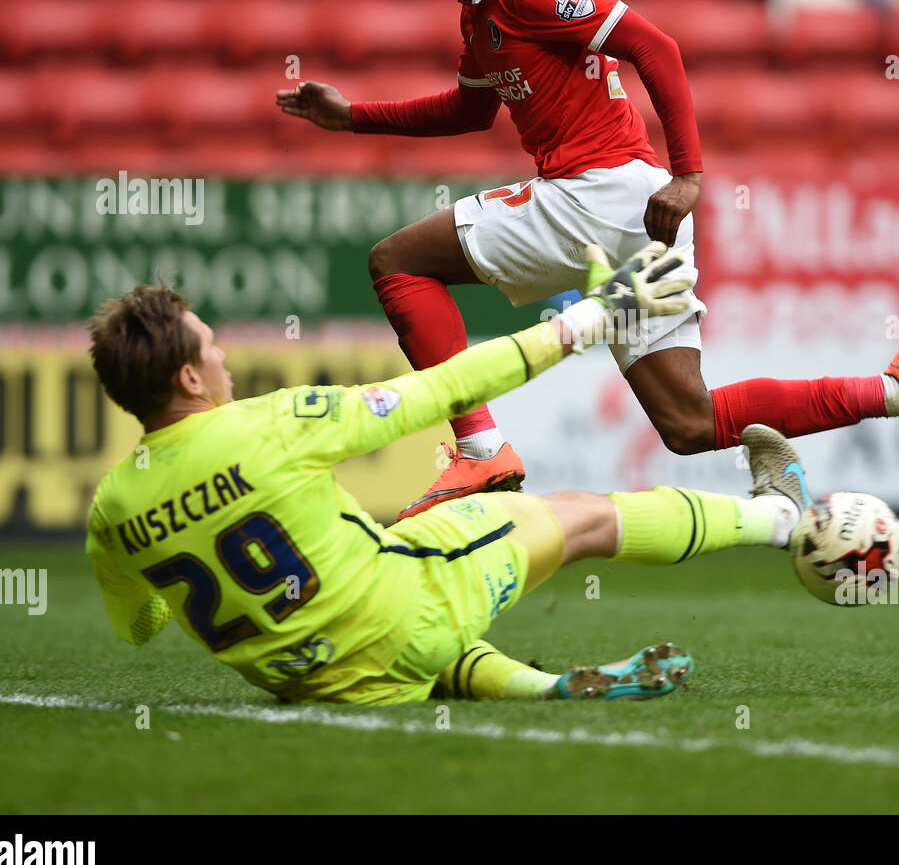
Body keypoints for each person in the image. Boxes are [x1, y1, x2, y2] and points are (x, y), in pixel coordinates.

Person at [277, 0, 899, 522]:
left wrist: (689, 172)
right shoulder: (482, 8)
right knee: (691, 424)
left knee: (397, 262)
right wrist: (352, 118)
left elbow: (658, 47)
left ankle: (479, 447)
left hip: (597, 195)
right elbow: (470, 110)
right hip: (634, 215)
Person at [84, 243, 817, 705]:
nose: (225, 359)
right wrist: (593, 317)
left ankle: (542, 685)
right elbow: (448, 385)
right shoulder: (270, 424)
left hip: (315, 682)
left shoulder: (114, 505)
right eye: (212, 349)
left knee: (400, 588)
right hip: (403, 610)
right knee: (580, 515)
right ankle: (782, 518)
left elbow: (141, 625)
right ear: (187, 376)